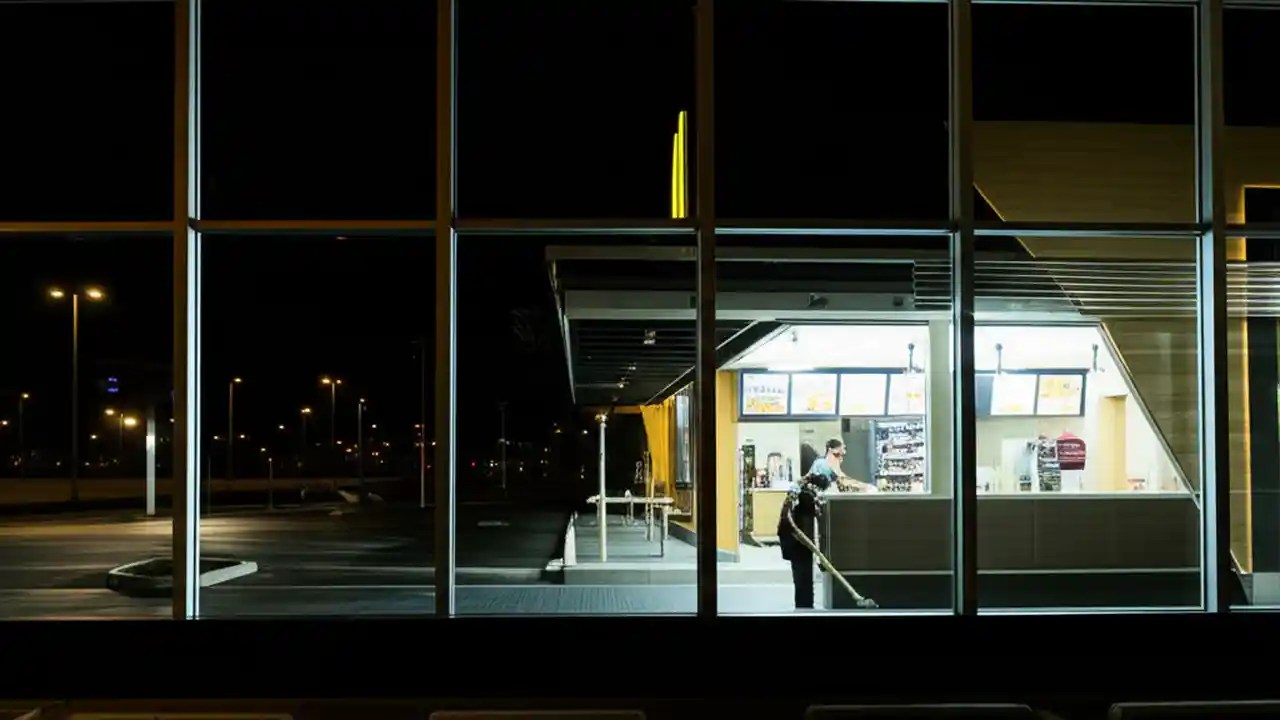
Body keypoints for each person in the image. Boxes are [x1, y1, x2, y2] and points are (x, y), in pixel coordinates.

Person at [778, 438, 874, 609]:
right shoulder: (819, 472)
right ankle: (804, 607)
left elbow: (840, 480)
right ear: (831, 451)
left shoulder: (810, 487)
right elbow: (842, 482)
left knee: (805, 573)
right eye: (839, 454)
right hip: (796, 533)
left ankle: (805, 605)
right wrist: (866, 488)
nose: (841, 459)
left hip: (800, 530)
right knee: (802, 572)